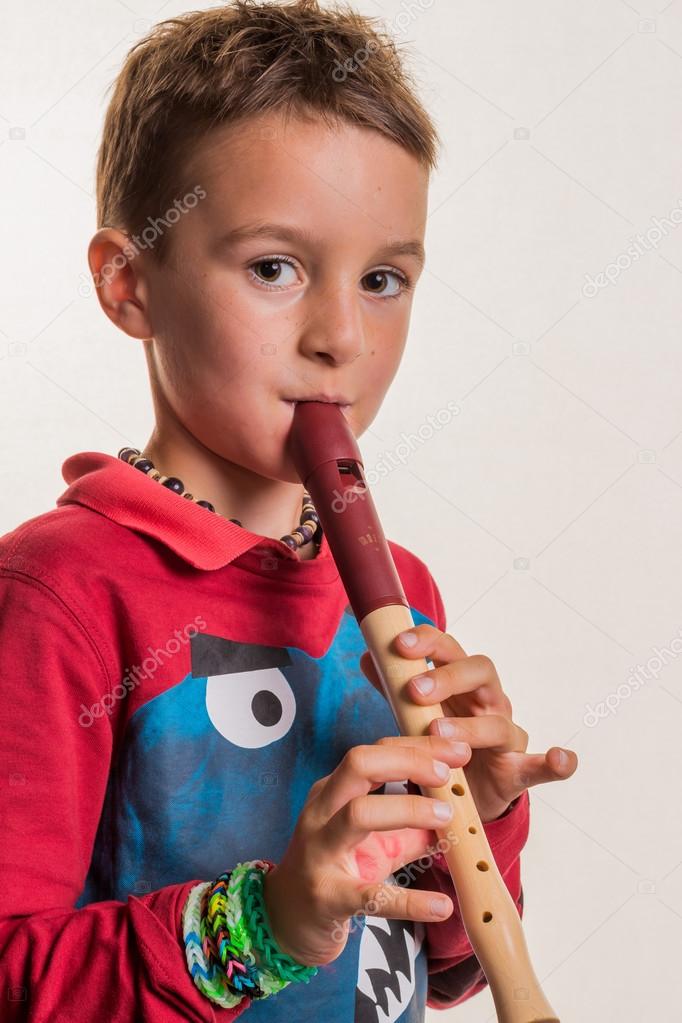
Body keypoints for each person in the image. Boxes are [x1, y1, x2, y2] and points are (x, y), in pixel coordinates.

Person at [0, 1, 577, 1020]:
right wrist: (261, 926)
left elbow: (444, 968)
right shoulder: (60, 595)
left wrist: (471, 822)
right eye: (275, 267)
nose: (339, 337)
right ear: (129, 282)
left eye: (383, 279)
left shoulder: (402, 591)